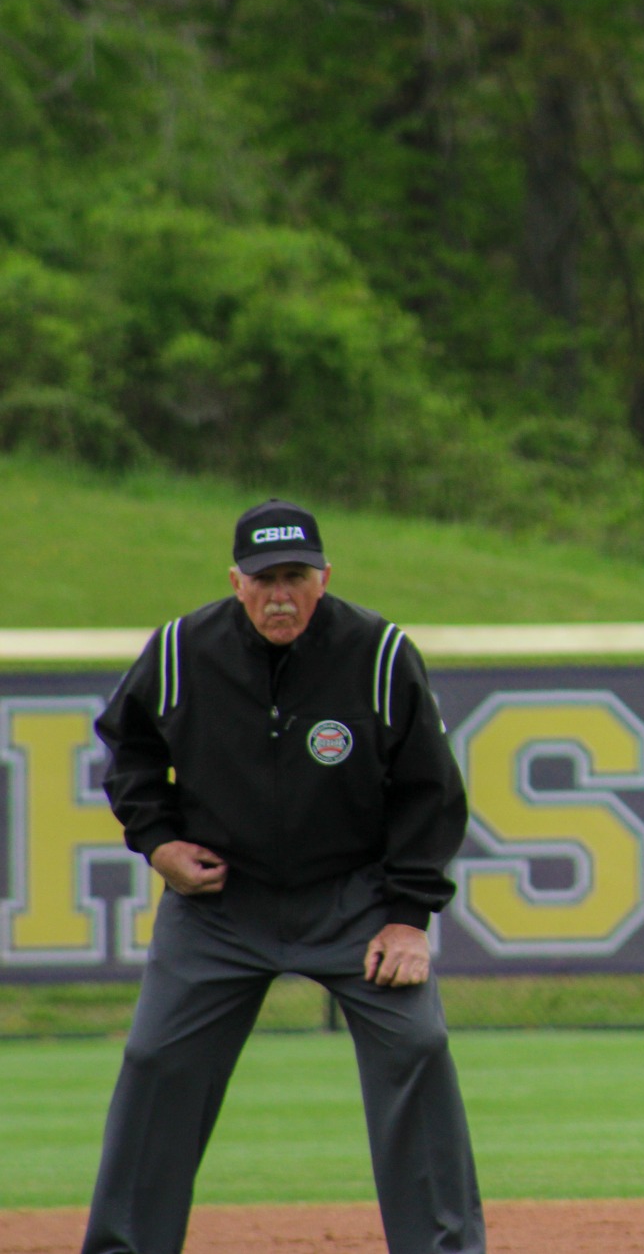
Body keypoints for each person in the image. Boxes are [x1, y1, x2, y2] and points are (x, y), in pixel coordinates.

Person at [81, 499, 484, 1254]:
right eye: (263, 578)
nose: (280, 595)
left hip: (355, 901)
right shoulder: (179, 651)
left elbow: (430, 791)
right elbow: (129, 750)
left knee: (418, 1045)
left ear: (324, 578)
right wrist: (159, 841)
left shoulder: (380, 652)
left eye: (295, 577)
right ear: (235, 582)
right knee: (156, 1058)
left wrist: (408, 915)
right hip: (220, 904)